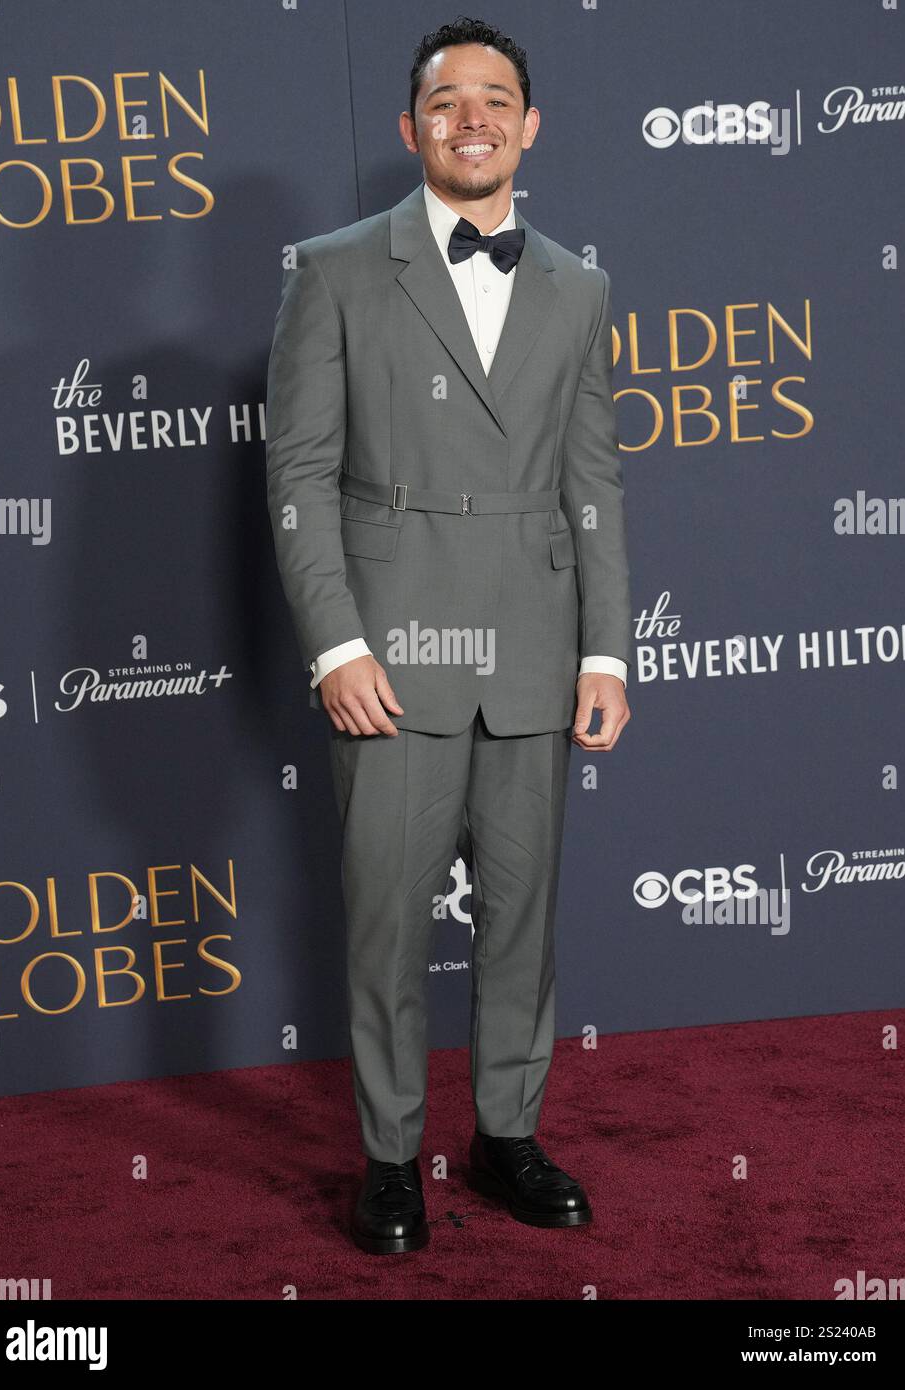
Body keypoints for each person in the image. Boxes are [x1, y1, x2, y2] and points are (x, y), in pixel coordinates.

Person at [265, 15, 631, 1255]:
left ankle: (506, 1135)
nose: (469, 118)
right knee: (385, 921)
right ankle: (387, 1157)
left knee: (522, 917)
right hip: (390, 653)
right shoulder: (332, 270)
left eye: (494, 99)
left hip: (535, 646)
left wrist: (604, 650)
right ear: (414, 125)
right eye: (444, 100)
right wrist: (335, 645)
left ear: (527, 125)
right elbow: (302, 475)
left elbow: (595, 478)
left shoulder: (578, 283)